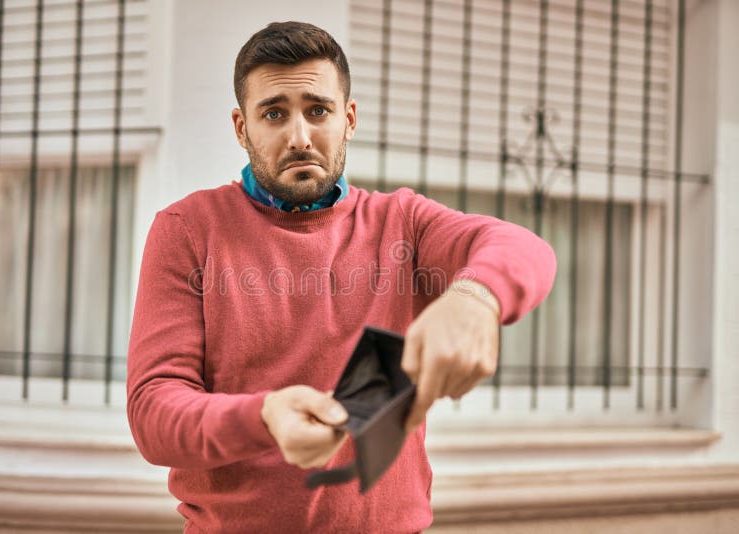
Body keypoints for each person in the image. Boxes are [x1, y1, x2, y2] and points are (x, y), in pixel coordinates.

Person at [127, 21, 556, 534]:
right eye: (273, 114)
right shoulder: (187, 230)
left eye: (318, 110)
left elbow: (523, 247)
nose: (299, 136)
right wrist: (264, 417)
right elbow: (154, 412)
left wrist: (476, 297)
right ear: (242, 129)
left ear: (348, 118)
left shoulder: (404, 222)